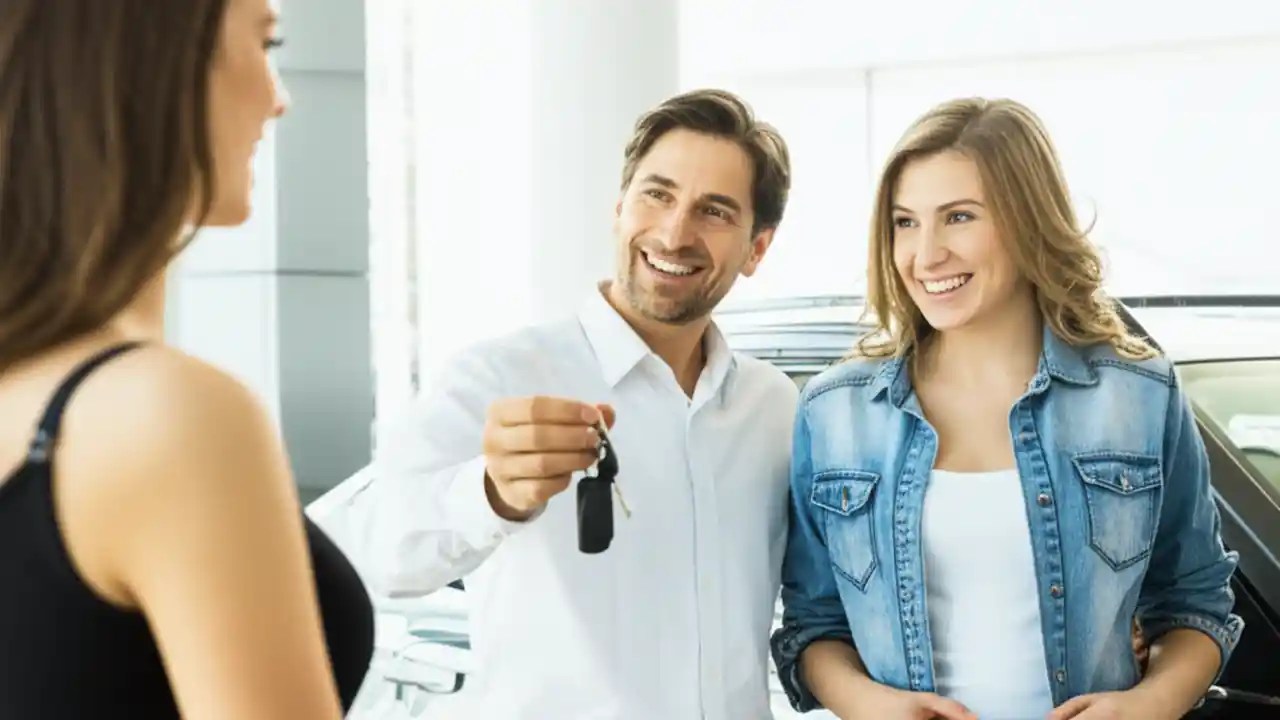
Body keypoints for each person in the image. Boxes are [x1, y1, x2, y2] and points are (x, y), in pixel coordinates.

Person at [771, 97, 1242, 720]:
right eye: (905, 222)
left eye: (959, 217)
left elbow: (1195, 602)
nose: (926, 255)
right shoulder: (835, 411)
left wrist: (1149, 705)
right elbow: (814, 622)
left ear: (1029, 219)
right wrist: (869, 705)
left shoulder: (1138, 394)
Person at [336, 89, 798, 719]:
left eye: (714, 211)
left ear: (757, 248)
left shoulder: (774, 408)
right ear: (619, 208)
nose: (674, 232)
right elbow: (378, 552)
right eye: (657, 194)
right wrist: (493, 492)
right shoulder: (502, 377)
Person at [0, 1, 374, 718]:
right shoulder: (169, 416)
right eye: (266, 44)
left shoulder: (37, 395)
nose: (278, 98)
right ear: (148, 66)